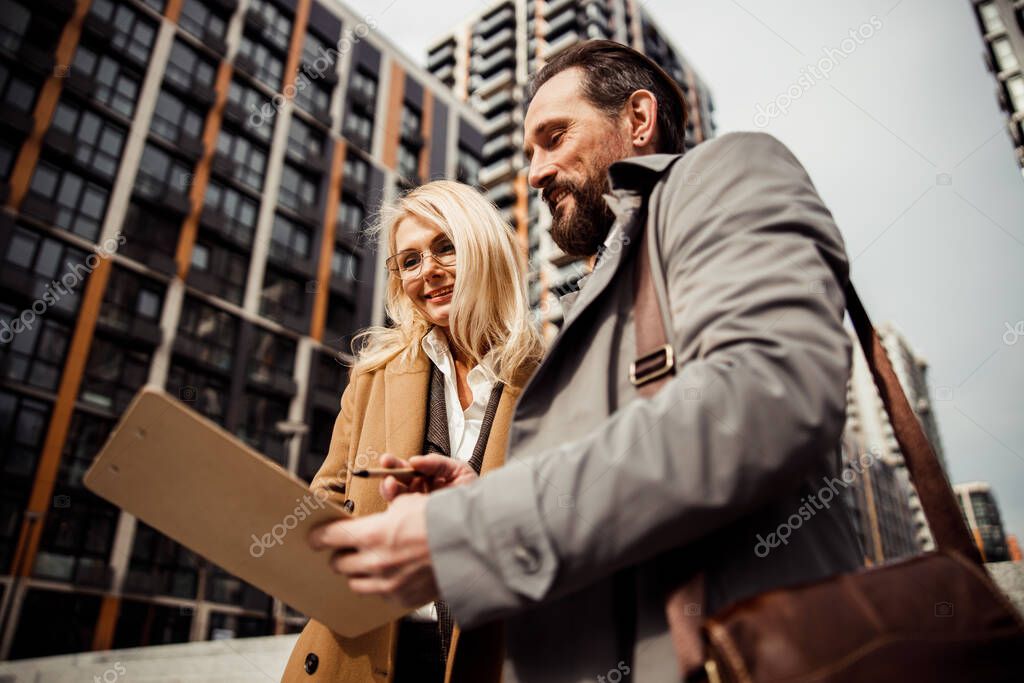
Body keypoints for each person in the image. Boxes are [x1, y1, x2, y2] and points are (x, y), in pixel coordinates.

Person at [309, 40, 864, 682]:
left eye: (554, 137)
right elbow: (606, 498)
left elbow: (767, 398)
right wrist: (481, 497)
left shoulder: (727, 173)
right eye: (528, 152)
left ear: (638, 118)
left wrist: (475, 519)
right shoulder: (601, 296)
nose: (535, 172)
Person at [282, 180, 543, 682]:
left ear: (483, 248)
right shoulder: (374, 375)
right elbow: (329, 500)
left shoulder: (551, 378)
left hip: (489, 656)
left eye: (446, 247)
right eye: (411, 260)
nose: (430, 273)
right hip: (361, 655)